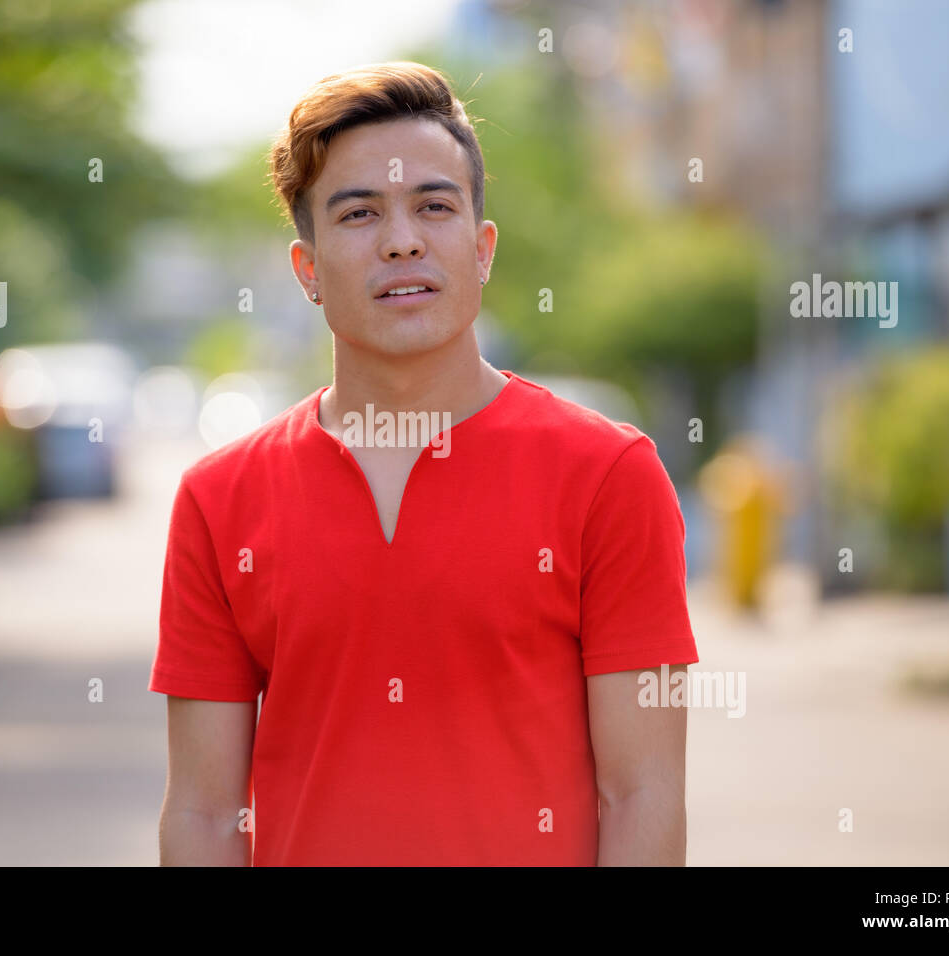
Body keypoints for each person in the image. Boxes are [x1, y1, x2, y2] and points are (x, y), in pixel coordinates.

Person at [150, 61, 698, 866]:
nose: (402, 238)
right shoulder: (219, 499)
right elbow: (201, 813)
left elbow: (643, 792)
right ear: (308, 271)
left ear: (481, 250)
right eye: (360, 212)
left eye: (433, 206)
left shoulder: (609, 476)